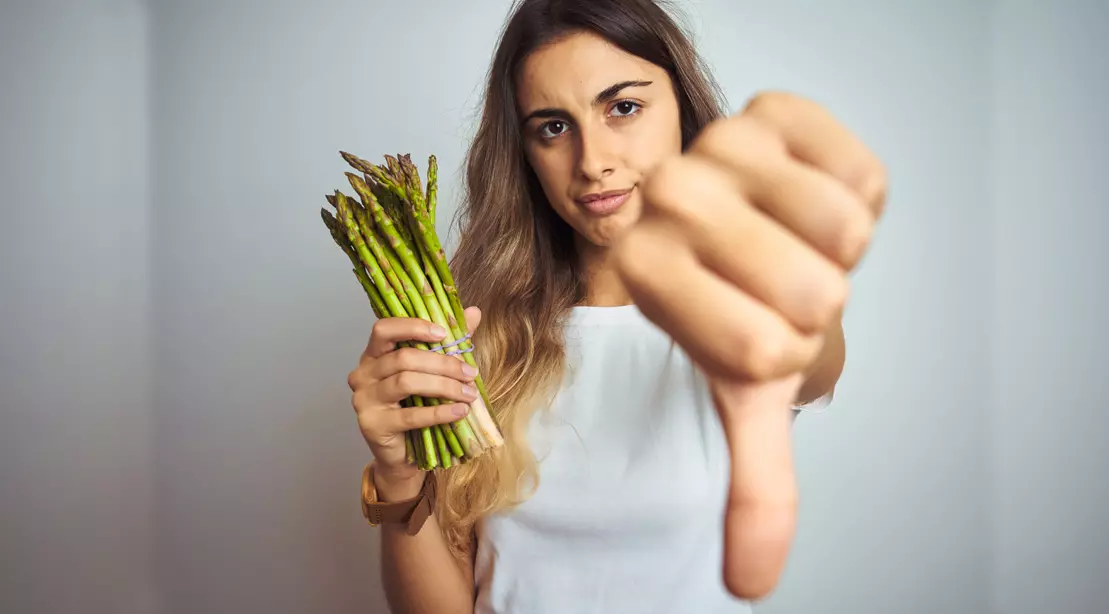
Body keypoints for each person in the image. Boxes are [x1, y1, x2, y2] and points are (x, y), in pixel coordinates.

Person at [347, 0, 886, 612]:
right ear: (524, 151)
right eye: (553, 126)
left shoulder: (741, 306)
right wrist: (397, 477)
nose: (593, 162)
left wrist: (795, 273)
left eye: (623, 107)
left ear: (682, 104)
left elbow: (808, 350)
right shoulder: (473, 332)